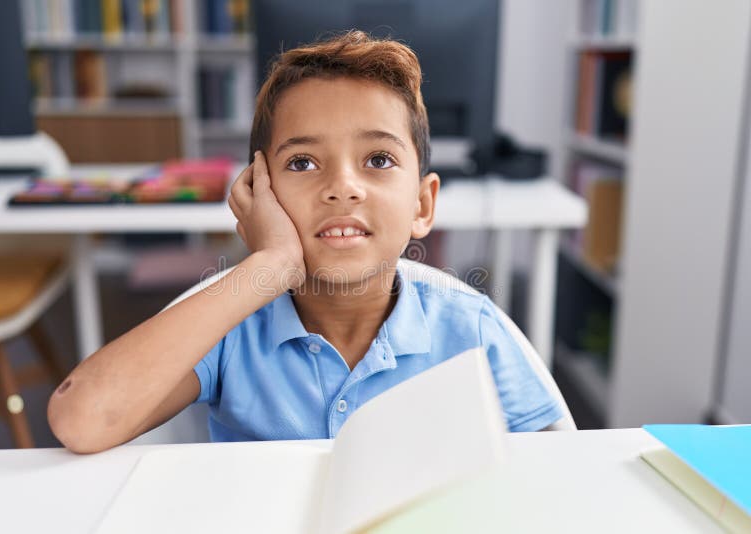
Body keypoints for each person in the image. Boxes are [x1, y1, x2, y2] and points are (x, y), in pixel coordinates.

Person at [47, 30, 564, 453]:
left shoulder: (470, 329)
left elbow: (553, 478)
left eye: (378, 160)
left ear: (422, 206)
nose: (342, 186)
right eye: (302, 162)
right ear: (257, 193)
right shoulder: (230, 331)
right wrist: (267, 265)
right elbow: (82, 421)